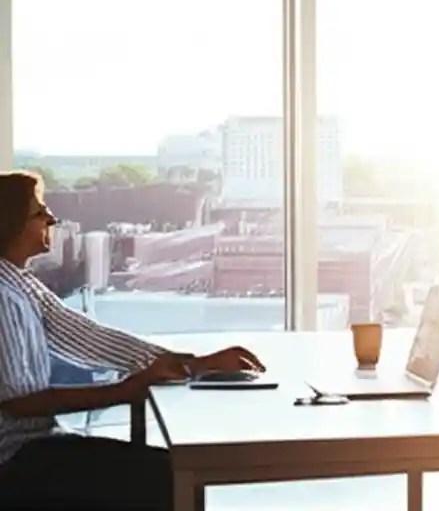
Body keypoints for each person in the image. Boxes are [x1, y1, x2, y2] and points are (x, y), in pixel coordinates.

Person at [0, 170, 266, 510]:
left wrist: (193, 364)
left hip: (37, 447)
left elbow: (91, 338)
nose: (51, 218)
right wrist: (122, 391)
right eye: (39, 212)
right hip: (16, 461)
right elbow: (19, 403)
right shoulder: (3, 296)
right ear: (9, 223)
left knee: (171, 472)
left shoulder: (20, 284)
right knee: (171, 479)